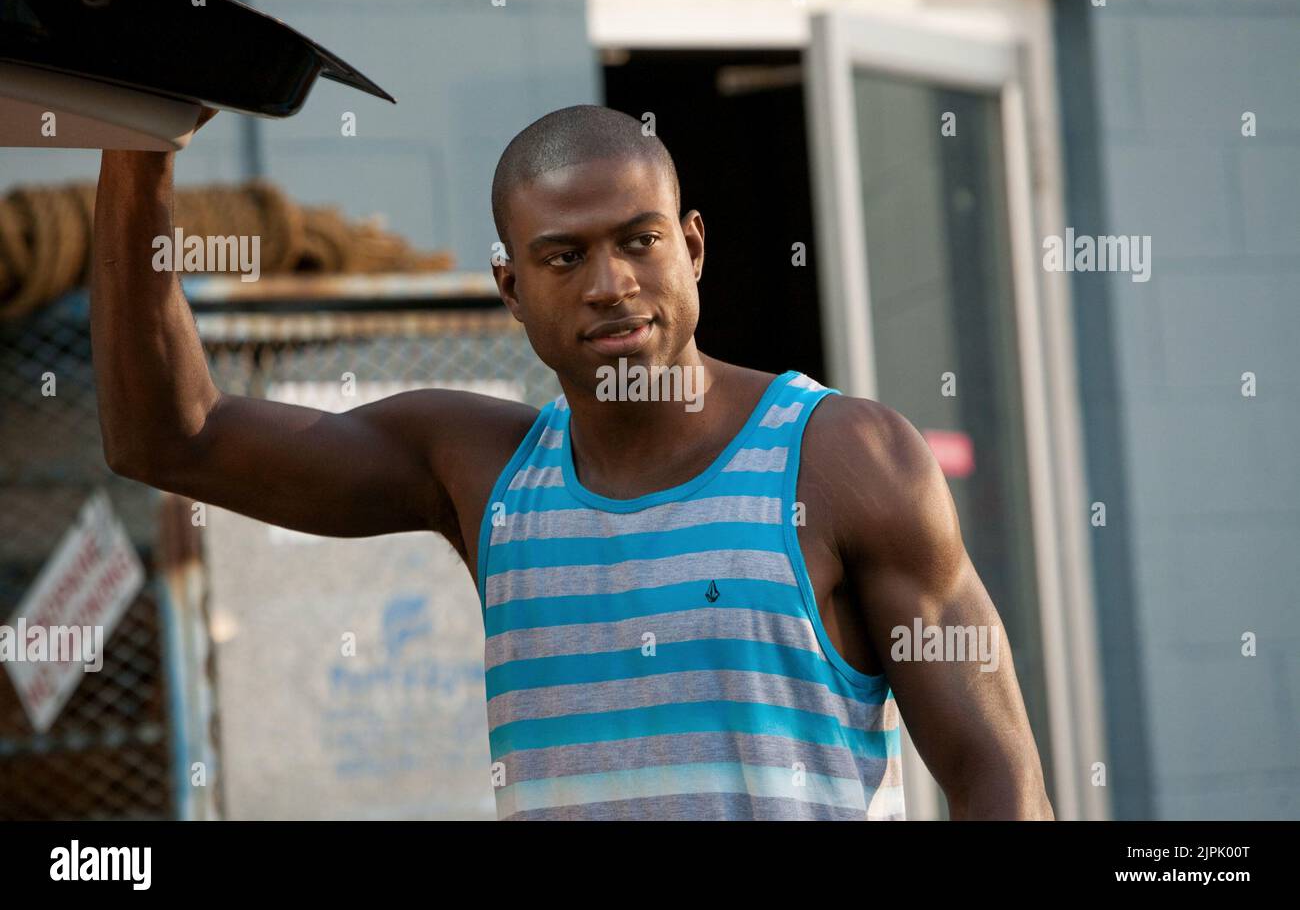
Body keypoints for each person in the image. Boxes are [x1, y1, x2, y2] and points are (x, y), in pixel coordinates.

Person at [92, 103, 1053, 820]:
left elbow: (995, 774)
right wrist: (141, 144)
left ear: (693, 246)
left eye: (639, 242)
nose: (611, 285)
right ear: (510, 286)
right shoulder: (479, 471)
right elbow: (168, 437)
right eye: (563, 258)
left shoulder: (844, 460)